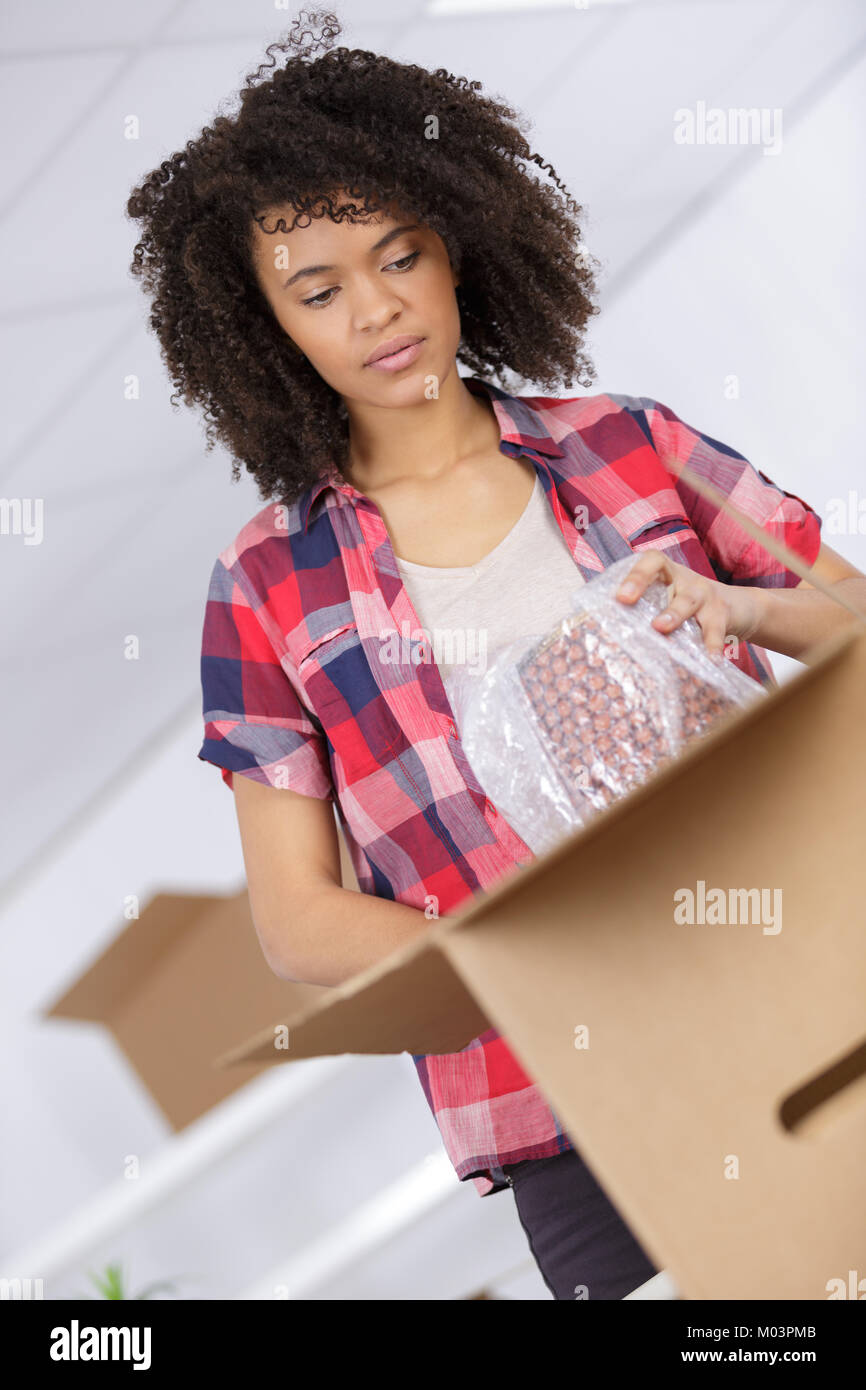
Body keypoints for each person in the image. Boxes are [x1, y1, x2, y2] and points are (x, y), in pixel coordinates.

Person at [125, 11, 865, 1300]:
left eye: (398, 252)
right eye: (318, 290)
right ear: (266, 328)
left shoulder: (627, 443)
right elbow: (299, 923)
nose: (376, 309)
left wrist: (736, 609)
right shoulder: (264, 586)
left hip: (799, 974)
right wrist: (532, 950)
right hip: (572, 1100)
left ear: (456, 239)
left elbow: (854, 624)